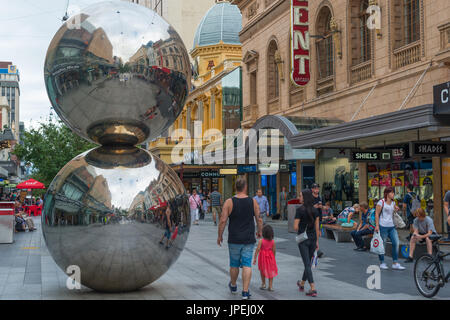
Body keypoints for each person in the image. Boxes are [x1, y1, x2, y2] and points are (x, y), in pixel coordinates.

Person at [217, 177, 263, 300]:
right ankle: (245, 292)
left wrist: (219, 235)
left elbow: (222, 221)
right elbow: (259, 218)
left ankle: (233, 285)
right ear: (245, 187)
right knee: (247, 264)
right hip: (248, 238)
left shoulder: (229, 202)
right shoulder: (253, 202)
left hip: (234, 238)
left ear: (235, 187)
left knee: (234, 264)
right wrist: (259, 231)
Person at [295, 189, 320, 297]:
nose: (299, 198)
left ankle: (313, 288)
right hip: (313, 238)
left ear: (305, 198)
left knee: (306, 264)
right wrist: (317, 241)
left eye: (300, 196)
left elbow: (295, 227)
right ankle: (302, 283)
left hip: (303, 239)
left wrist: (300, 227)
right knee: (308, 263)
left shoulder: (300, 210)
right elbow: (317, 227)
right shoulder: (315, 211)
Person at [375, 186, 405, 270]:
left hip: (392, 226)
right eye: (391, 192)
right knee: (382, 244)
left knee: (396, 243)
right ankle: (382, 262)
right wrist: (377, 225)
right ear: (387, 193)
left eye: (393, 193)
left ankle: (395, 263)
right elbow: (377, 214)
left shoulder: (393, 202)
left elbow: (393, 213)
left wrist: (396, 210)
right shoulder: (381, 202)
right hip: (383, 226)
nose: (393, 194)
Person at [253, 224, 278, 291]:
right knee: (271, 271)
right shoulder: (273, 242)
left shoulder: (261, 241)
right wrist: (273, 258)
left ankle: (263, 284)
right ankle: (270, 286)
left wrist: (255, 258)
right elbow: (274, 250)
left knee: (262, 270)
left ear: (263, 233)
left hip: (262, 258)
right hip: (270, 258)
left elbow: (257, 249)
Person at [311, 183, 324, 258]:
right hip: (312, 218)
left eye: (318, 188)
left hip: (319, 218)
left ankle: (316, 249)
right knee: (313, 234)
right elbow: (308, 207)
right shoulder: (310, 198)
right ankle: (316, 249)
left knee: (317, 234)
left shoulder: (320, 197)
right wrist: (314, 206)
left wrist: (321, 206)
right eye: (315, 188)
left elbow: (325, 207)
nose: (317, 190)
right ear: (312, 189)